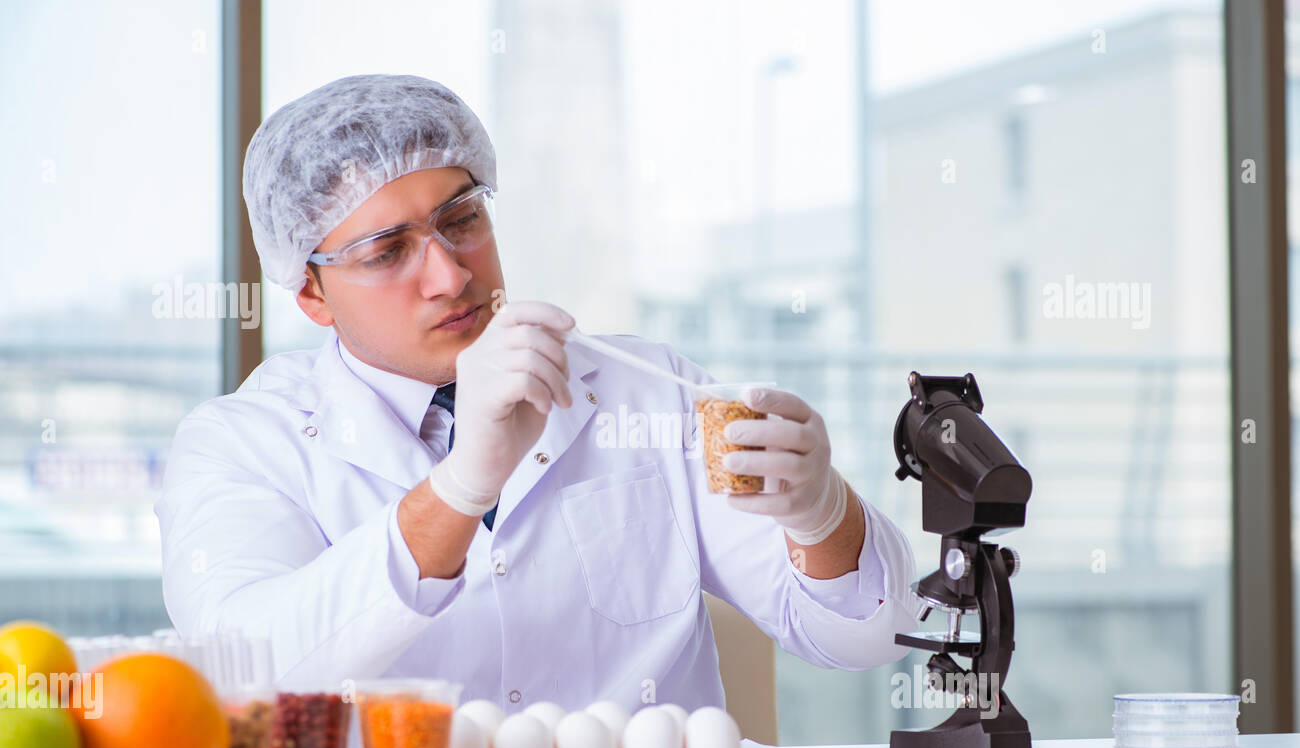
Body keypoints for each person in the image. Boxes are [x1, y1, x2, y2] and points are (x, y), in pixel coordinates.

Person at [155, 73, 923, 715]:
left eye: (462, 219)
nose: (451, 274)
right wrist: (460, 489)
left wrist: (822, 514)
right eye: (387, 251)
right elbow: (245, 674)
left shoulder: (646, 392)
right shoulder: (243, 443)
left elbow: (866, 638)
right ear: (312, 295)